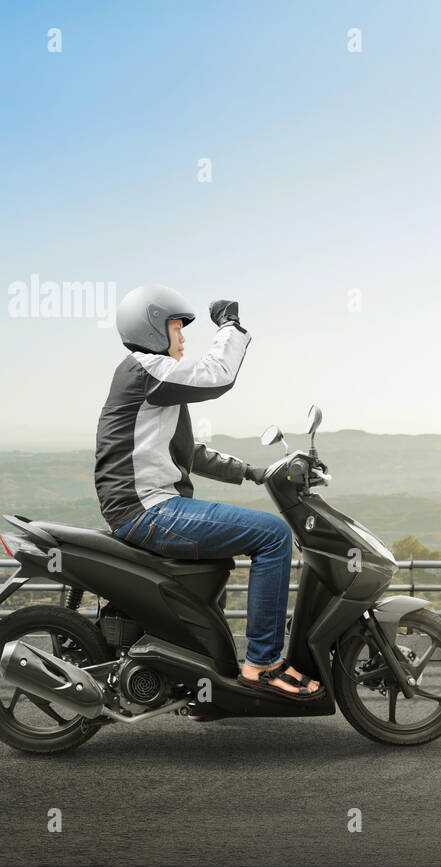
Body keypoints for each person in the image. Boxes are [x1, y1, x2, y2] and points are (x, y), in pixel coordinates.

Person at [93, 284, 321, 706]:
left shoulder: (154, 383)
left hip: (146, 506)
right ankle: (264, 665)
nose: (182, 339)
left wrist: (252, 472)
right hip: (149, 509)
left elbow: (190, 453)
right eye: (177, 328)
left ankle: (204, 683)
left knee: (229, 554)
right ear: (152, 329)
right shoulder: (147, 369)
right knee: (273, 536)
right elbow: (219, 376)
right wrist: (230, 327)